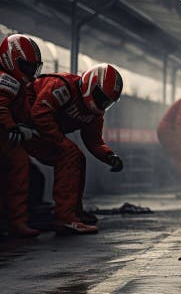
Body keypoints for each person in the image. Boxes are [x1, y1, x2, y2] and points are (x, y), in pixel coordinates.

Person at [24, 63, 124, 235]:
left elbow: (94, 141)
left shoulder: (95, 113)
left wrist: (109, 156)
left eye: (107, 102)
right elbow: (40, 113)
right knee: (70, 154)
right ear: (90, 84)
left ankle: (73, 212)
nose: (102, 104)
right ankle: (65, 218)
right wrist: (61, 141)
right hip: (22, 125)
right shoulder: (63, 86)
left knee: (77, 157)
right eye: (101, 97)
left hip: (36, 131)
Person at [0, 34, 43, 238]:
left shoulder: (16, 83)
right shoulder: (6, 80)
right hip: (5, 133)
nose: (30, 72)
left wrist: (23, 125)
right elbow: (1, 107)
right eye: (26, 66)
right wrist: (13, 128)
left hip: (5, 132)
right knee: (18, 165)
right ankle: (16, 222)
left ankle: (12, 220)